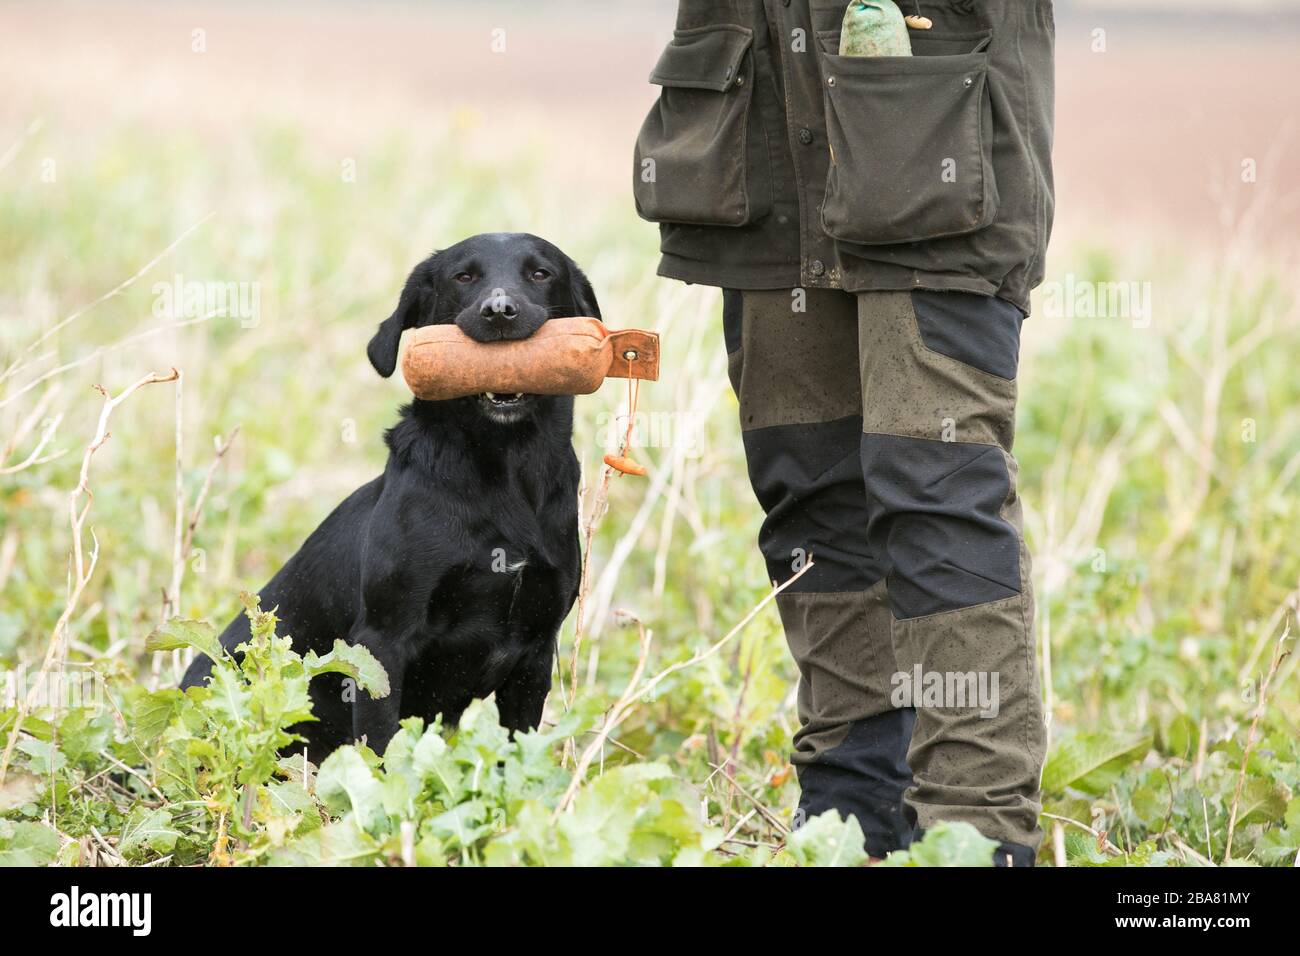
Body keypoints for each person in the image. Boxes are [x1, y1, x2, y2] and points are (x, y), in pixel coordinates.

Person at [633, 0, 1055, 866]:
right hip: (759, 111)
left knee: (934, 488)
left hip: (933, 103)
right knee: (809, 485)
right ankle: (854, 820)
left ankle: (972, 838)